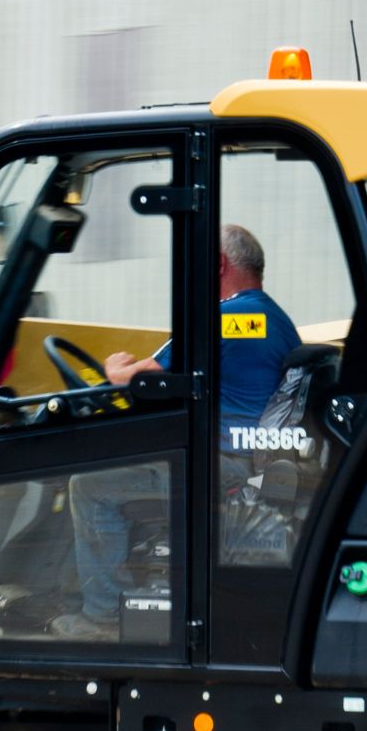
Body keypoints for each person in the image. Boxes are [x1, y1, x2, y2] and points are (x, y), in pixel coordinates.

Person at [54, 225, 297, 642]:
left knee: (89, 486)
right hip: (243, 461)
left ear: (218, 264)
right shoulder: (272, 319)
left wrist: (115, 368)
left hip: (221, 467)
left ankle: (102, 615)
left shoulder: (230, 318)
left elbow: (137, 377)